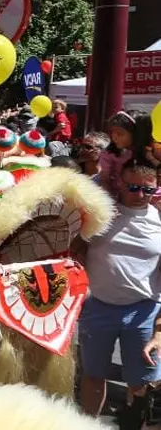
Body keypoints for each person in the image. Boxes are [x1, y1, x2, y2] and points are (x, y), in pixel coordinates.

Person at [74, 161, 161, 427]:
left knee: (143, 384)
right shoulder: (101, 216)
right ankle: (87, 424)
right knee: (93, 375)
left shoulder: (159, 221)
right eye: (133, 187)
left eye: (148, 190)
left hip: (144, 312)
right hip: (98, 308)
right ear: (121, 184)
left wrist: (159, 331)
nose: (140, 195)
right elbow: (74, 250)